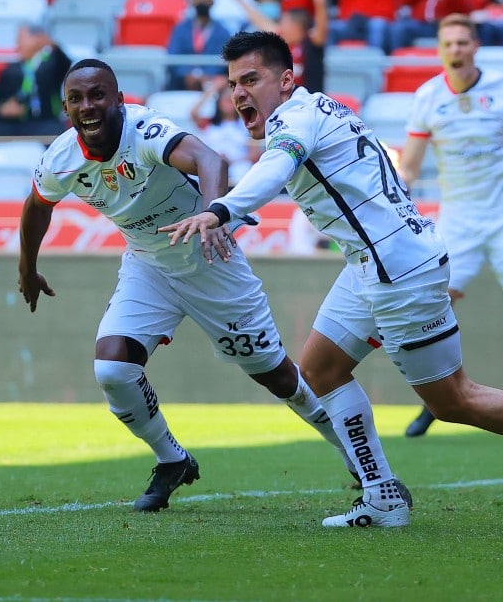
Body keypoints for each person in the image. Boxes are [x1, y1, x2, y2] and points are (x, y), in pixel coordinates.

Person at [164, 31, 503, 528]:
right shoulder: (320, 107)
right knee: (320, 368)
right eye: (234, 83)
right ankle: (381, 492)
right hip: (373, 262)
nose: (238, 93)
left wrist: (220, 210)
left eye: (251, 79)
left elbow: (277, 166)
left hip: (397, 271)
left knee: (455, 399)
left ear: (285, 80)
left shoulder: (295, 120)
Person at [18, 58, 360, 511]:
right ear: (65, 107)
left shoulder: (144, 131)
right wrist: (27, 268)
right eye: (77, 99)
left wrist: (212, 217)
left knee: (277, 376)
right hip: (148, 266)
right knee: (113, 367)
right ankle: (171, 459)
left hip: (210, 263)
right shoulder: (60, 158)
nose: (88, 106)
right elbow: (37, 206)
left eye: (99, 95)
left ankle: (355, 454)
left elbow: (208, 158)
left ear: (119, 100)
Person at [397, 15, 503, 438]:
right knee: (436, 310)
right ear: (439, 49)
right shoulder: (428, 97)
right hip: (458, 221)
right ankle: (438, 398)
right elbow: (410, 167)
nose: (455, 50)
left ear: (475, 48)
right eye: (448, 43)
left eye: (462, 42)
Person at [0, 23, 71, 138]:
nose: (17, 45)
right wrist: (2, 109)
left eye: (20, 39)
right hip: (13, 123)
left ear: (37, 39)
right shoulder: (11, 69)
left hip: (45, 121)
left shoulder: (52, 63)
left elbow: (65, 63)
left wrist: (49, 42)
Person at [166, 0, 233, 91]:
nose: (202, 1)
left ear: (212, 1)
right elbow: (172, 56)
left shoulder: (223, 32)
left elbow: (224, 59)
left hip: (212, 86)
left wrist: (206, 76)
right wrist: (187, 74)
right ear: (192, 1)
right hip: (181, 84)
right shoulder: (180, 29)